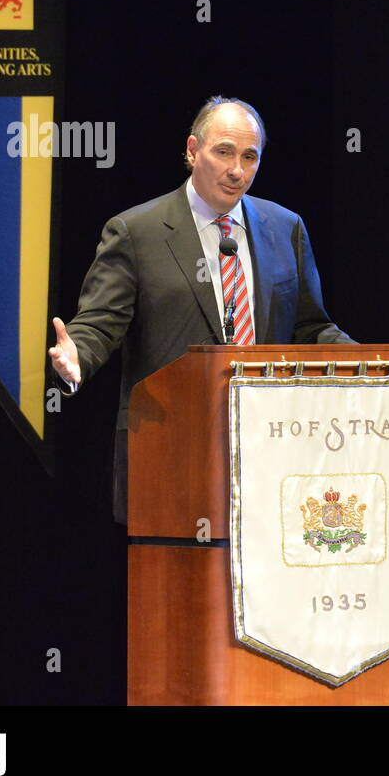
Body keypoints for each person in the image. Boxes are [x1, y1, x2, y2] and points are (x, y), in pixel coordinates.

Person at [48, 95, 353, 521]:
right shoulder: (137, 231)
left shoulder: (286, 229)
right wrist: (77, 354)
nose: (237, 170)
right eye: (223, 152)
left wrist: (369, 363)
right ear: (193, 151)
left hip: (272, 447)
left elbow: (310, 326)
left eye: (250, 157)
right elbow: (100, 324)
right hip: (170, 447)